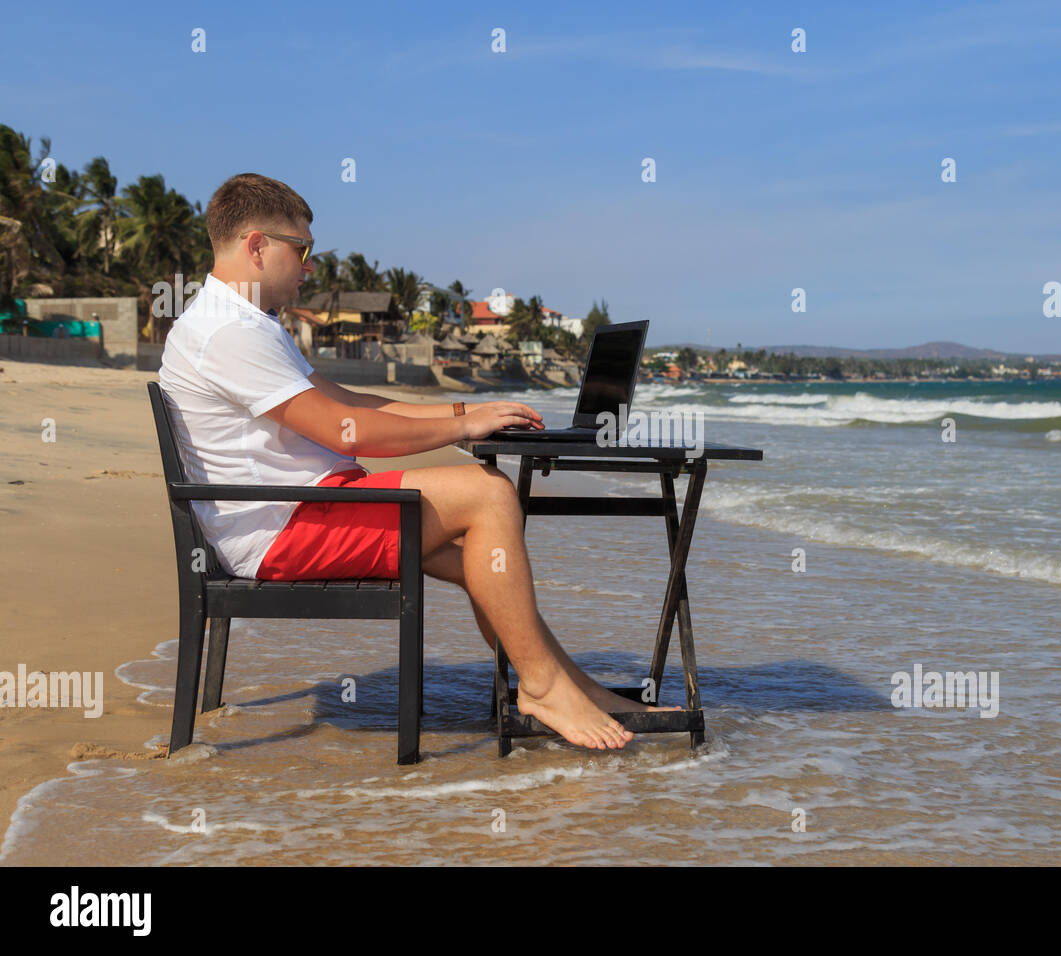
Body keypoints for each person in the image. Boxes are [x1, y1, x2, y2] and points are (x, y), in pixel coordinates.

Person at [159, 172, 676, 751]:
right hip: (282, 531)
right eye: (302, 250)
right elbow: (343, 430)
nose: (309, 266)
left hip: (303, 510)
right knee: (490, 494)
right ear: (258, 246)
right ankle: (540, 688)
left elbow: (349, 402)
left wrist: (462, 408)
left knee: (476, 555)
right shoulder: (228, 332)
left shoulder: (244, 322)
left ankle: (571, 685)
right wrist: (460, 429)